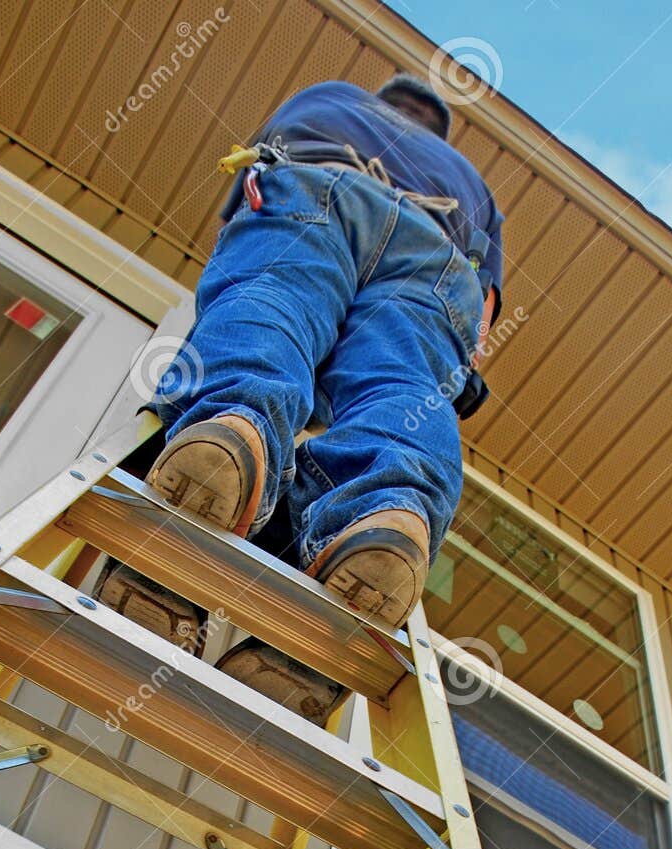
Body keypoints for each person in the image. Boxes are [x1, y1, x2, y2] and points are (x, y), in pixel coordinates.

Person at [126, 75, 503, 719]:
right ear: (439, 131)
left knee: (276, 302)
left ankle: (234, 420)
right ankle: (389, 507)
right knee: (406, 385)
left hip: (316, 186)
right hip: (434, 252)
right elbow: (484, 309)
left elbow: (253, 181)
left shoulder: (325, 97)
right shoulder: (473, 183)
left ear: (384, 102)